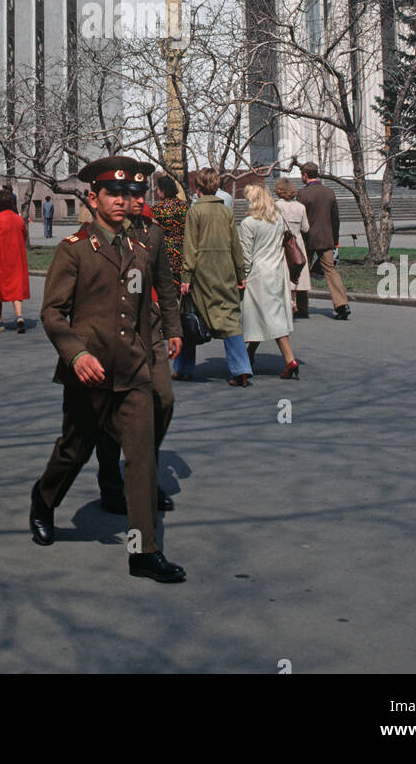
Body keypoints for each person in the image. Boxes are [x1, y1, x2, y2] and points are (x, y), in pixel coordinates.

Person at [29, 156, 186, 583]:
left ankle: (143, 551)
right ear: (94, 199)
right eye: (113, 194)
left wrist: (160, 341)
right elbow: (52, 314)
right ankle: (44, 499)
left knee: (139, 458)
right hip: (89, 373)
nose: (122, 201)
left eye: (129, 194)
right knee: (73, 450)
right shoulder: (74, 250)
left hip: (132, 368)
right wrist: (76, 355)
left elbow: (149, 304)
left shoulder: (141, 244)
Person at [95, 166, 181, 514]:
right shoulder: (99, 235)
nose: (139, 201)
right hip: (110, 336)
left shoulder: (153, 235)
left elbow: (166, 283)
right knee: (107, 411)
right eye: (131, 194)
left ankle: (143, 470)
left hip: (149, 332)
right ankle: (112, 481)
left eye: (141, 194)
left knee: (163, 399)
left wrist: (174, 328)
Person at [174, 167, 251, 386]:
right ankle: (241, 369)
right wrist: (240, 273)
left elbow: (190, 247)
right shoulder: (227, 212)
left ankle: (183, 368)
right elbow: (236, 245)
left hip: (201, 273)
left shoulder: (195, 212)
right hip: (225, 270)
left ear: (198, 188)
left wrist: (186, 277)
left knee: (189, 316)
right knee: (229, 320)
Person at [239, 184, 299, 379]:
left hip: (258, 274)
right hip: (277, 271)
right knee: (263, 315)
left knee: (268, 317)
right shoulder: (278, 219)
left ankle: (290, 359)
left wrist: (244, 276)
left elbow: (246, 255)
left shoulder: (248, 223)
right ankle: (249, 354)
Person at [298, 162, 351, 319]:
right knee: (331, 270)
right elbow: (335, 218)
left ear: (305, 175)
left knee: (302, 272)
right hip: (326, 238)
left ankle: (302, 308)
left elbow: (301, 218)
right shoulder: (329, 192)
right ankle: (342, 304)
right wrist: (335, 240)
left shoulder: (302, 194)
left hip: (307, 239)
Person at [0, 189, 30, 332]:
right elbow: (24, 237)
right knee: (16, 290)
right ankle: (19, 316)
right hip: (16, 260)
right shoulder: (18, 219)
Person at [274, 177, 311, 318]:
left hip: (282, 243)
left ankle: (288, 302)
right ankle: (298, 303)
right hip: (297, 243)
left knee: (285, 273)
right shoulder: (300, 207)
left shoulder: (277, 205)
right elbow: (306, 228)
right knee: (297, 272)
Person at [151, 174, 188, 282]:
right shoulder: (185, 207)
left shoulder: (157, 210)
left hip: (165, 252)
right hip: (183, 251)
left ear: (163, 190)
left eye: (158, 189)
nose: (157, 192)